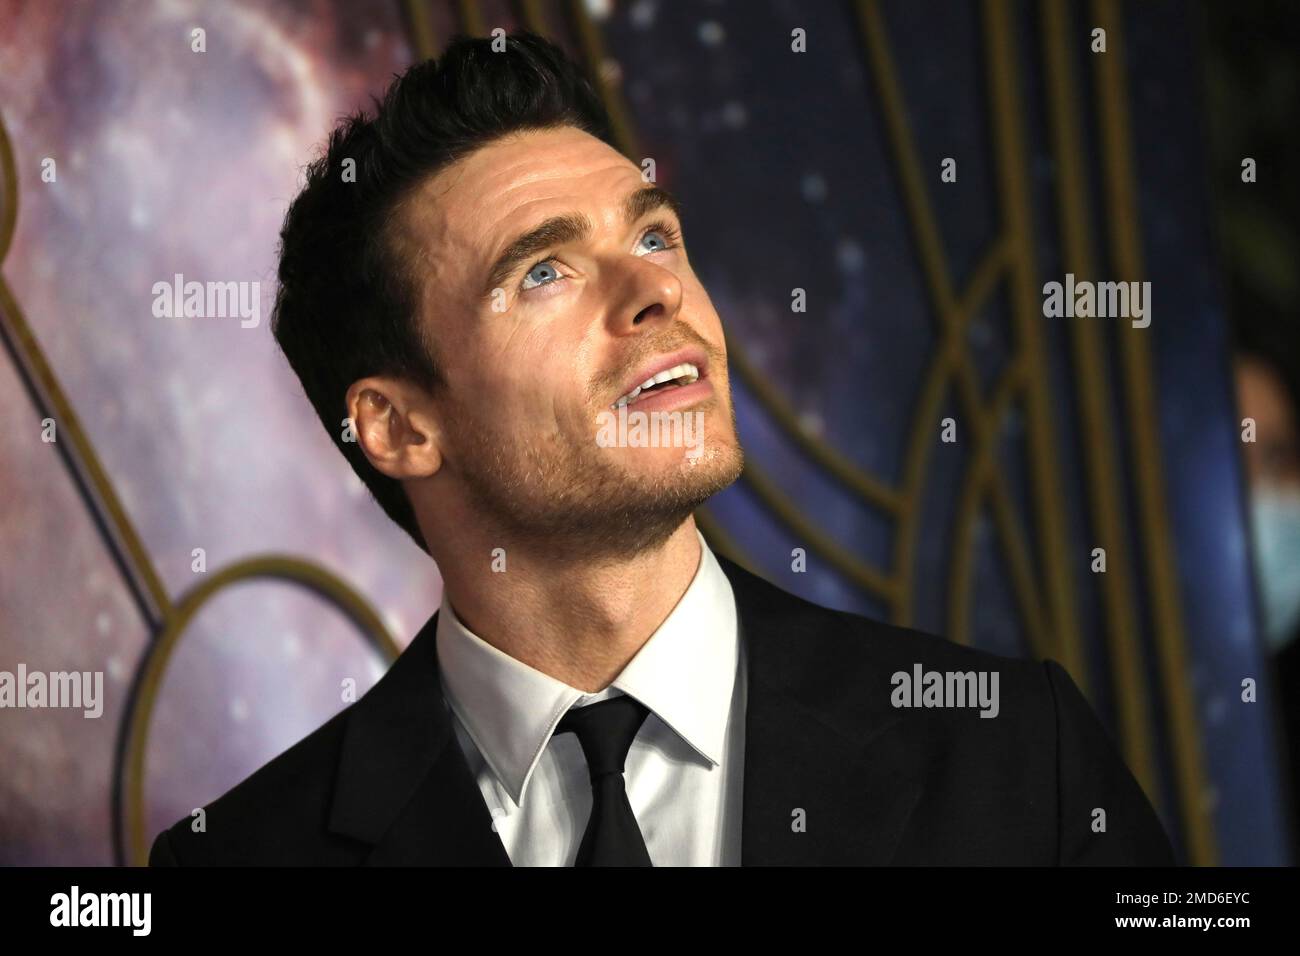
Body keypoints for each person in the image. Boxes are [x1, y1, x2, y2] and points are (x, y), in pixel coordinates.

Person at [149, 31, 1174, 866]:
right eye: (544, 271)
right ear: (401, 425)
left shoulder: (1009, 754)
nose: (655, 292)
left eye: (653, 236)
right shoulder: (243, 857)